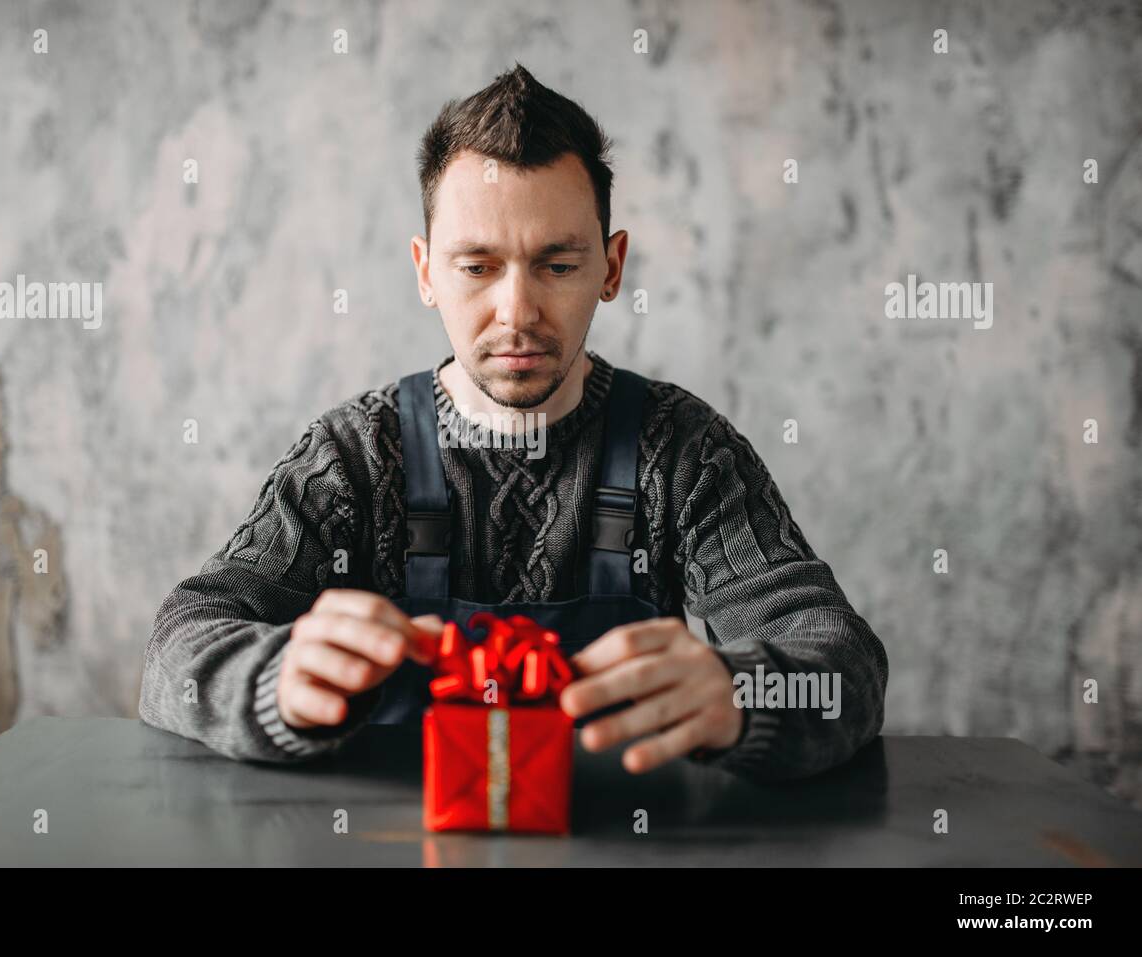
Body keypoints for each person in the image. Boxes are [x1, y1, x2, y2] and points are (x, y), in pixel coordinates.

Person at [139, 63, 888, 781]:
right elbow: (180, 646)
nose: (517, 312)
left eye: (558, 265)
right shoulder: (354, 458)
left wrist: (741, 693)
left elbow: (840, 664)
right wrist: (272, 684)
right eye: (477, 266)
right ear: (426, 270)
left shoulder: (684, 451)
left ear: (612, 266)